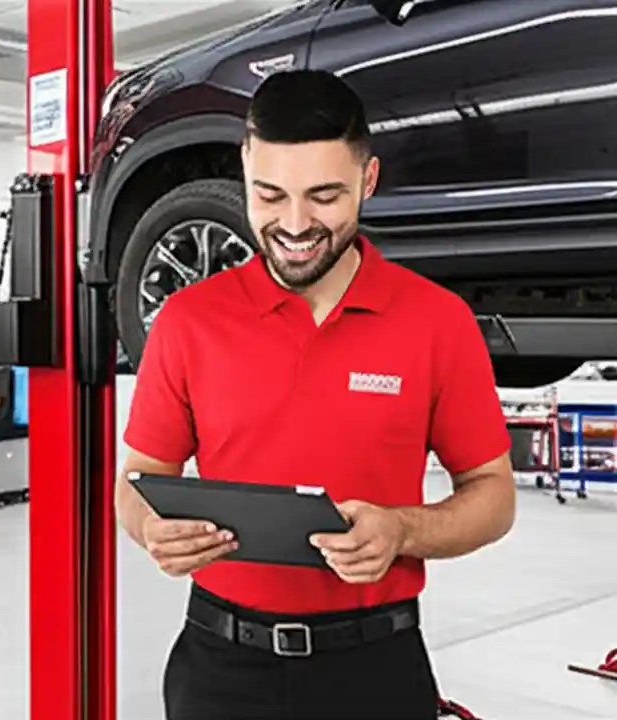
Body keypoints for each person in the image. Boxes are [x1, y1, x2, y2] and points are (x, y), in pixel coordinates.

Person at [115, 69, 515, 720]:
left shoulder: (436, 321)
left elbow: (493, 496)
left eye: (324, 196)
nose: (295, 224)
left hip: (374, 670)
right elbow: (137, 480)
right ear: (244, 171)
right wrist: (152, 528)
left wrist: (403, 529)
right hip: (219, 668)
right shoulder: (189, 321)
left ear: (369, 180)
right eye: (269, 195)